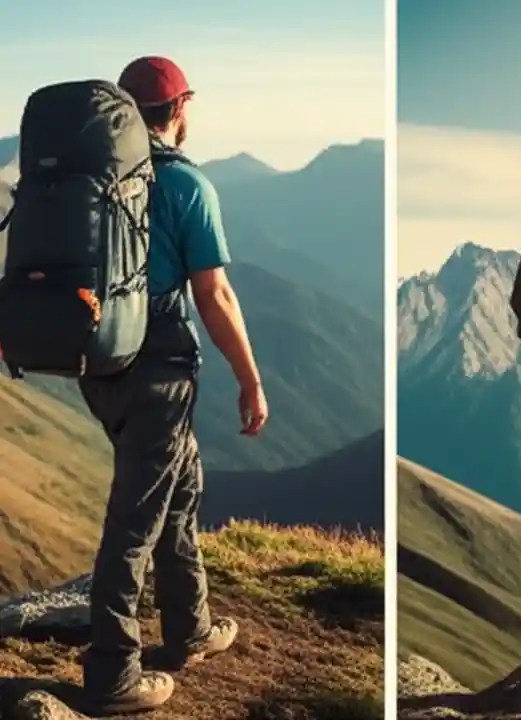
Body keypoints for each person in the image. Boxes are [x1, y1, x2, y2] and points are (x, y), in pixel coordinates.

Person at [78, 56, 270, 714]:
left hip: (99, 363)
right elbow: (213, 295)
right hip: (158, 370)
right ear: (180, 110)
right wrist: (250, 380)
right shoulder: (187, 186)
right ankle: (112, 675)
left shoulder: (93, 180)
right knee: (135, 522)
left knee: (179, 490)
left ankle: (190, 627)